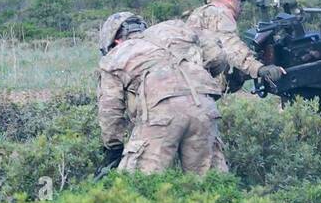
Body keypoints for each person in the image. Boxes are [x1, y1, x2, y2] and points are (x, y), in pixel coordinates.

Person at [96, 12, 229, 174]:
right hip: (204, 107)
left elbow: (110, 110)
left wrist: (114, 147)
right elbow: (217, 56)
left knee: (141, 184)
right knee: (208, 184)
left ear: (116, 41)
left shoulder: (116, 54)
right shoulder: (172, 33)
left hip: (160, 114)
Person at [184, 0, 287, 93]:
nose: (241, 5)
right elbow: (230, 46)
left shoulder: (199, 15)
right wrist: (259, 68)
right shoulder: (219, 12)